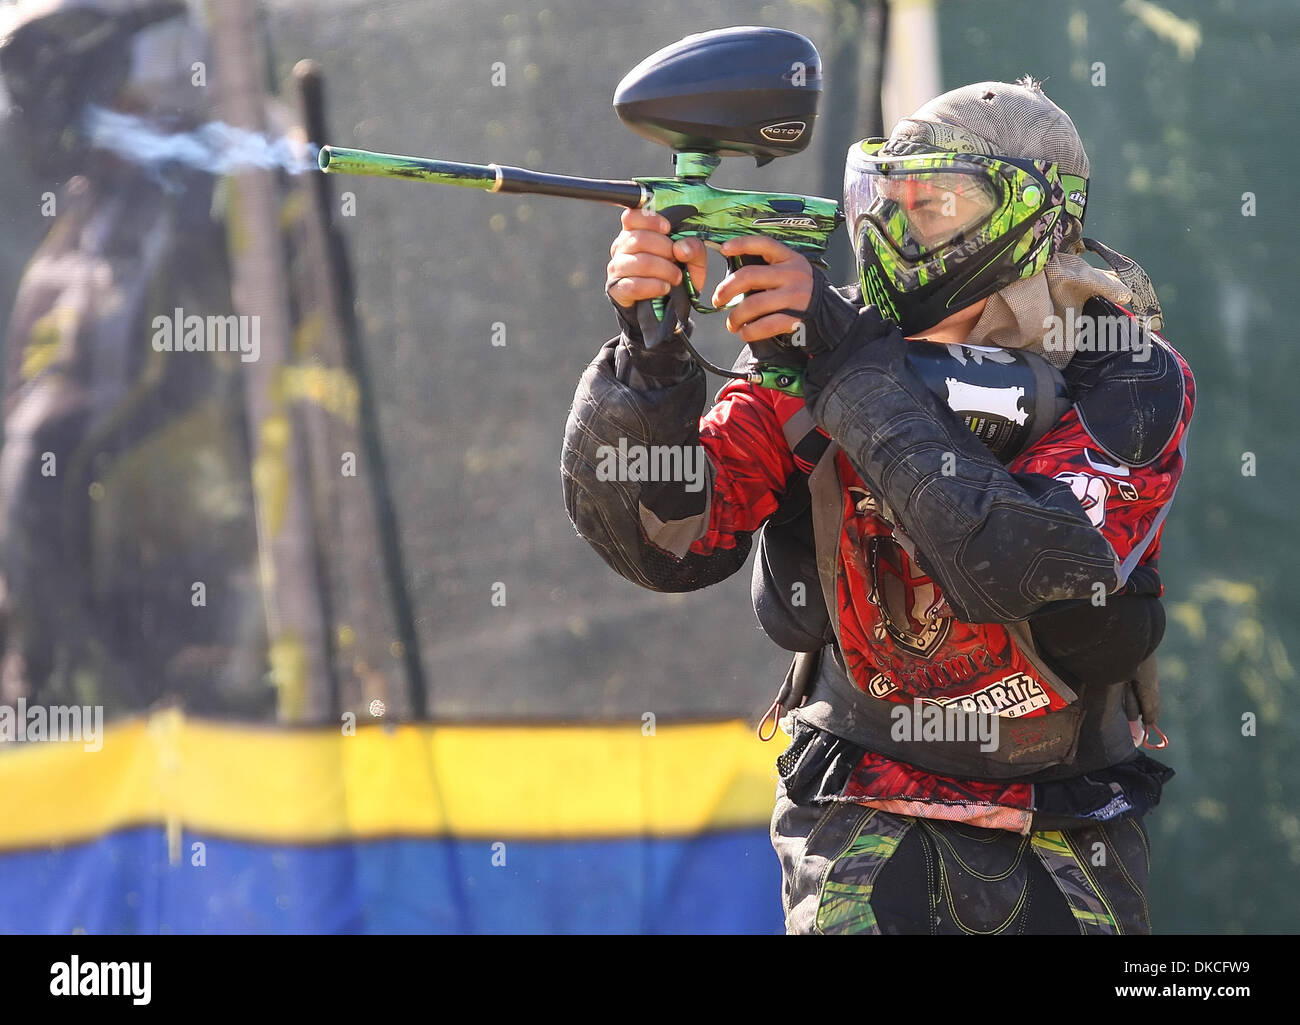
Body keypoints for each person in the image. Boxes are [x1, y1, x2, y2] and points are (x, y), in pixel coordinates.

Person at [562, 76, 1195, 934]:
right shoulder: (819, 347)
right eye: (884, 201)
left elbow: (1021, 565)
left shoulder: (1124, 375)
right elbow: (668, 540)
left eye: (935, 206)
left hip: (1064, 820)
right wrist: (651, 357)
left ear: (1029, 219)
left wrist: (851, 371)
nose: (899, 230)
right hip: (857, 801)